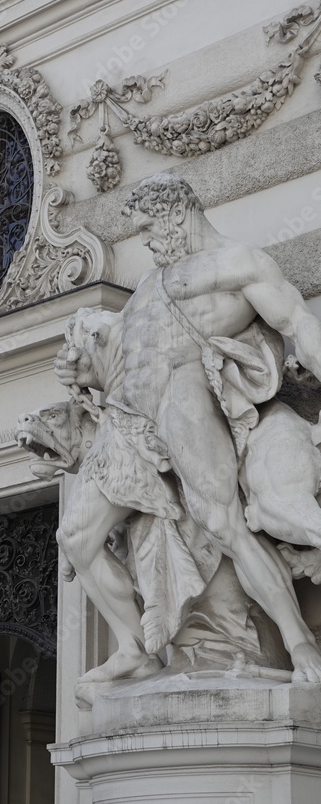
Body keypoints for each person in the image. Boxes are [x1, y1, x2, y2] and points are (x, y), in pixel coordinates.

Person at [57, 173, 321, 685]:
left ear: (178, 212)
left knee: (225, 526)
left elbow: (297, 325)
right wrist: (80, 373)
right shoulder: (152, 281)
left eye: (150, 228)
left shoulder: (240, 264)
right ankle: (134, 648)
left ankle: (299, 641)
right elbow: (118, 356)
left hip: (183, 405)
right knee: (75, 537)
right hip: (124, 420)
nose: (147, 241)